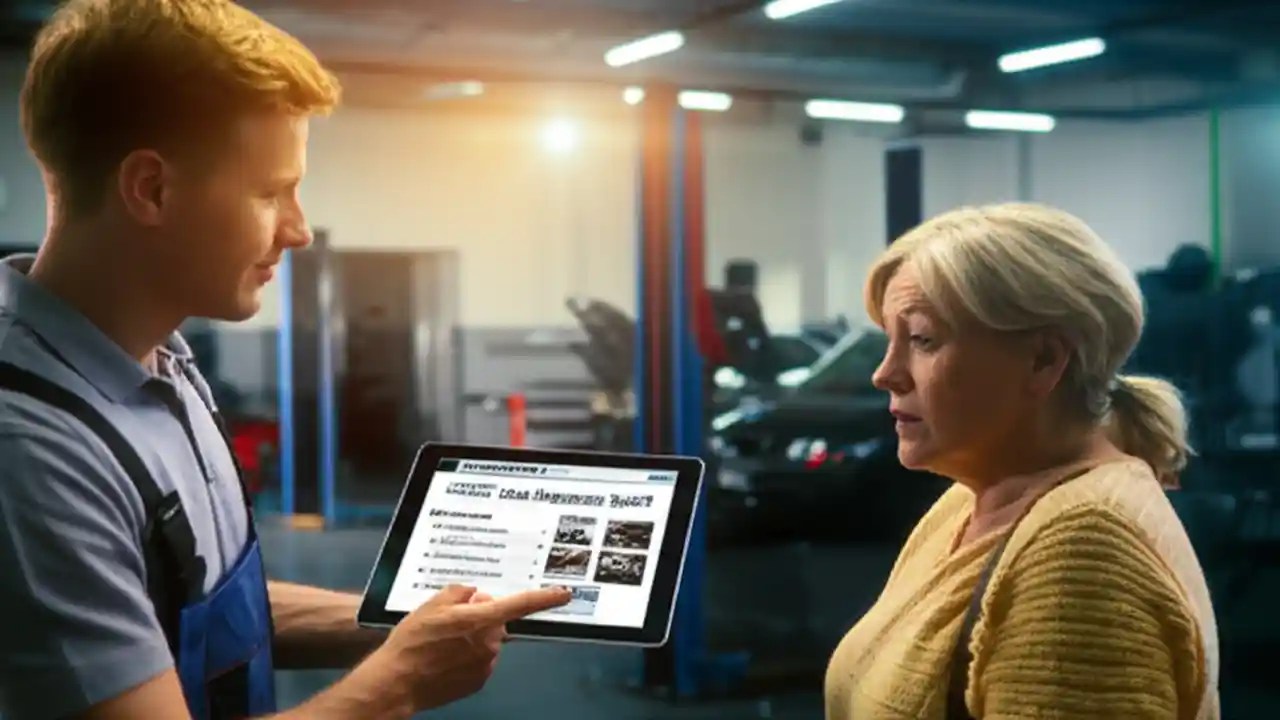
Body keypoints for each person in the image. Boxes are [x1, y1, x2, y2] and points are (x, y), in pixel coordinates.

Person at [0, 1, 570, 719]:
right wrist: (399, 680)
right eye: (271, 192)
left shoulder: (164, 366)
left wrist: (418, 619)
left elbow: (187, 604)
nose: (298, 230)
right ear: (151, 189)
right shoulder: (31, 448)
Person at [824, 203, 1219, 719]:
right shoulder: (972, 498)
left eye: (922, 339)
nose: (885, 373)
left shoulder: (1081, 553)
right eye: (890, 341)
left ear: (1043, 360)